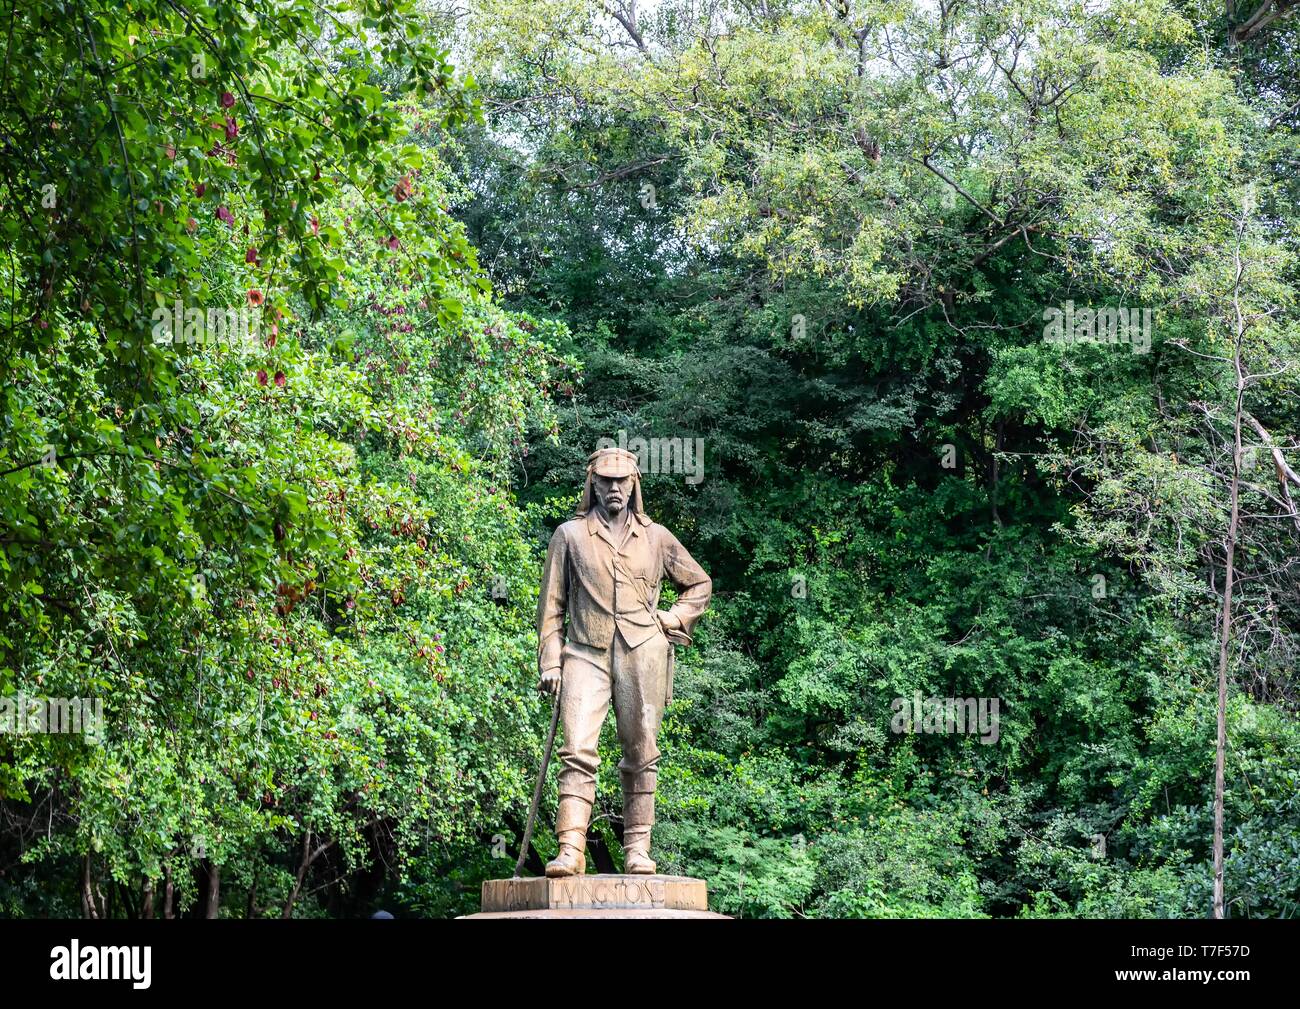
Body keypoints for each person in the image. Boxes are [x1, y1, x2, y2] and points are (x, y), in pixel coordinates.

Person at [536, 447, 712, 876]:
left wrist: (671, 619)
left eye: (622, 480)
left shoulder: (657, 537)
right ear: (592, 484)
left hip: (642, 652)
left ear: (634, 484)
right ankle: (571, 849)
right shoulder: (570, 536)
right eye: (605, 481)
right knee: (576, 749)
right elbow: (551, 607)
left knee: (642, 752)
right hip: (583, 653)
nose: (614, 488)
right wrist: (551, 662)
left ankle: (637, 849)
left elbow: (699, 584)